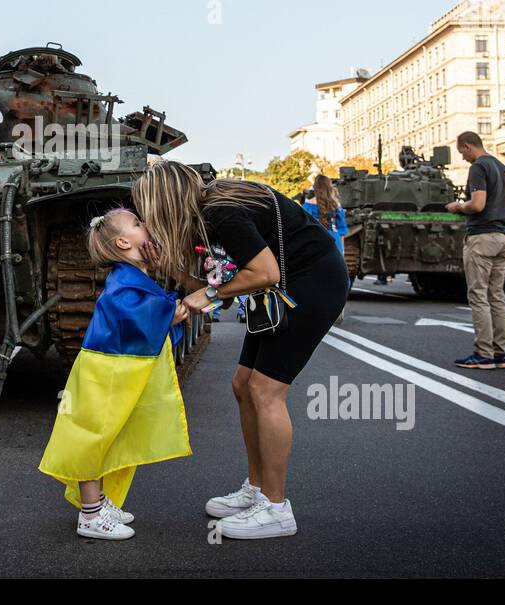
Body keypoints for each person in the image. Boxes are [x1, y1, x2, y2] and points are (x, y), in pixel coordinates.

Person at [132, 161, 347, 540]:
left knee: (266, 390)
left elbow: (265, 273)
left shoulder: (221, 212)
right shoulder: (211, 207)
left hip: (313, 282)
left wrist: (209, 294)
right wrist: (180, 274)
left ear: (164, 201)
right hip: (290, 283)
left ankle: (277, 509)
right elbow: (218, 280)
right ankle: (257, 488)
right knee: (242, 383)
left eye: (147, 209)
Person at [38, 207, 192, 540]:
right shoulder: (124, 281)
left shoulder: (132, 274)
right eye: (137, 223)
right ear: (123, 242)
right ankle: (91, 516)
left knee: (107, 434)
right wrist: (173, 311)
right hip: (104, 371)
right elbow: (136, 313)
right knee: (93, 435)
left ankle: (99, 502)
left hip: (109, 368)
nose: (145, 224)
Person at [444, 132, 505, 371]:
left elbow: (478, 204)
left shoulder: (478, 167)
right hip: (504, 236)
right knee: (498, 296)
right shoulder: (504, 169)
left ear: (467, 146)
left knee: (478, 295)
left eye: (462, 152)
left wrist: (457, 207)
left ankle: (483, 354)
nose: (463, 158)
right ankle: (500, 353)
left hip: (482, 237)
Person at [304, 173, 349, 321]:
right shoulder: (336, 206)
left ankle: (316, 309)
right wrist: (342, 251)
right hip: (335, 240)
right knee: (338, 276)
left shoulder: (308, 204)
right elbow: (342, 231)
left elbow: (304, 227)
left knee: (315, 275)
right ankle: (339, 307)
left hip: (317, 240)